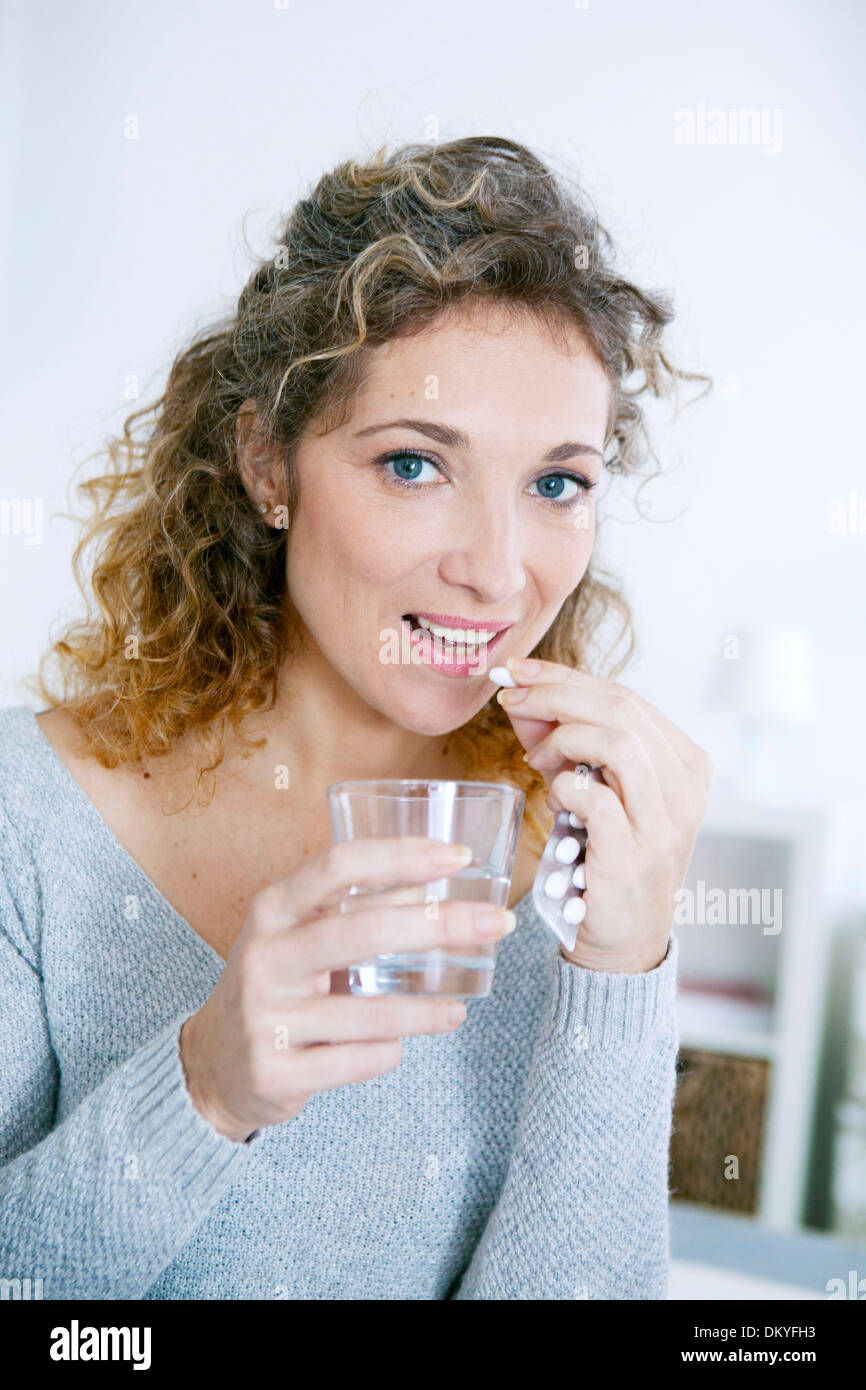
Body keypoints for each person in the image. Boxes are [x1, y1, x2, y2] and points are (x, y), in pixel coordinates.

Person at [0, 135, 712, 1299]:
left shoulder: (584, 872)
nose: (497, 573)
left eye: (555, 484)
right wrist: (204, 1089)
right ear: (268, 462)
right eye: (414, 466)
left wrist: (622, 968)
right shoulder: (30, 818)